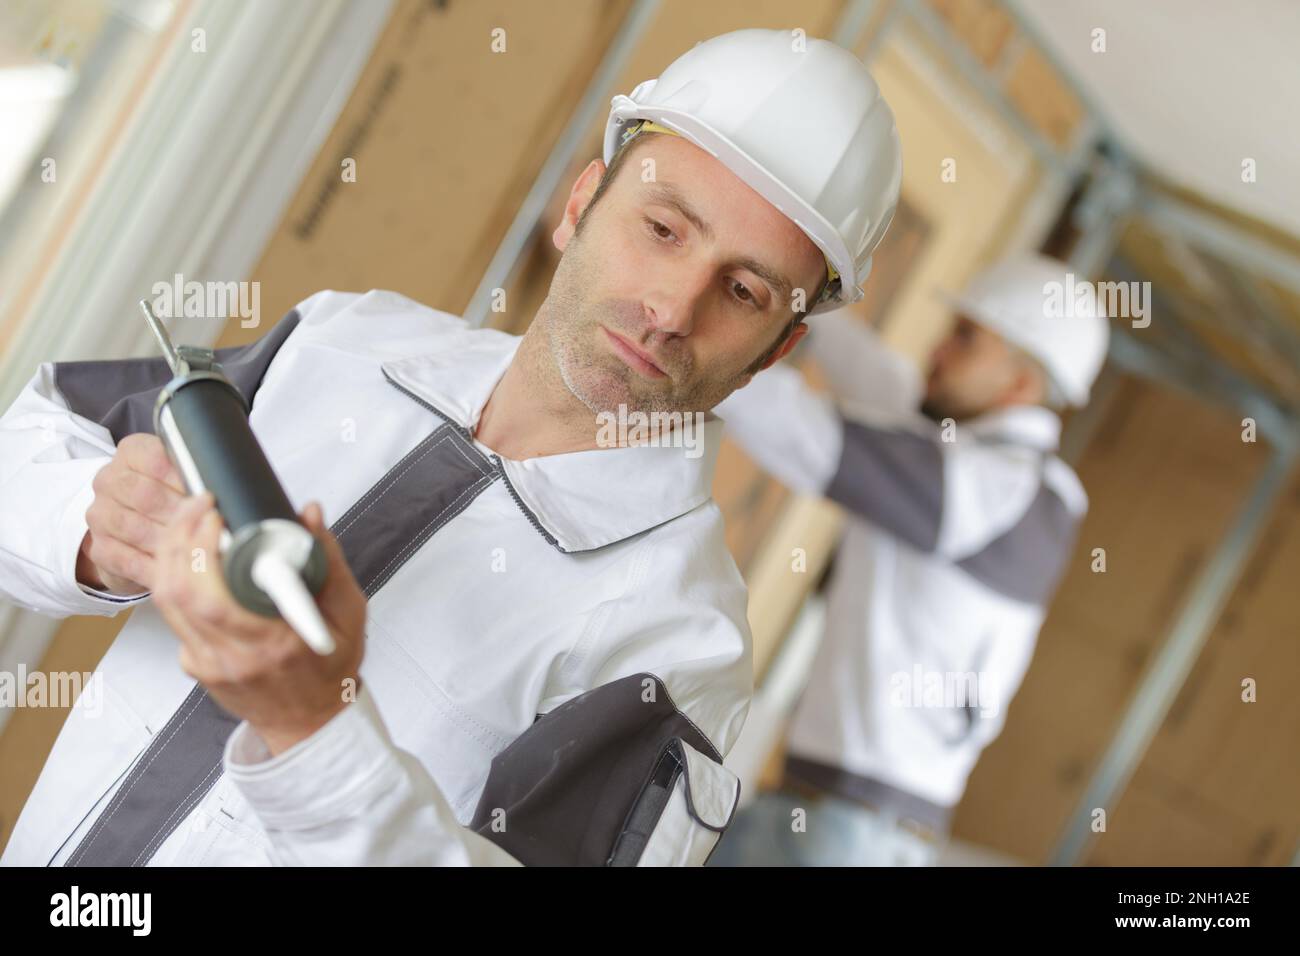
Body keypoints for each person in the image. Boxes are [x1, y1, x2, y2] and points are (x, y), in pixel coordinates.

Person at [0, 28, 902, 866]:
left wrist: (316, 737)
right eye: (663, 230)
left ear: (775, 351)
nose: (671, 309)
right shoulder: (346, 340)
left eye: (743, 292)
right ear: (581, 204)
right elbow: (29, 439)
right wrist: (92, 530)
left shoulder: (678, 645)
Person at [709, 254, 1109, 866]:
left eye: (966, 338)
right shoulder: (1011, 480)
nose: (938, 350)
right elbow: (885, 384)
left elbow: (805, 435)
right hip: (847, 826)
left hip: (845, 837)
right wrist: (797, 289)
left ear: (1020, 384)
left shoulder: (988, 493)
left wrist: (687, 337)